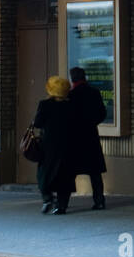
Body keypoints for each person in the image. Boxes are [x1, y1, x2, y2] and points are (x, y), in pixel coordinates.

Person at [33, 76, 75, 214]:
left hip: (48, 145)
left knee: (43, 173)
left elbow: (37, 123)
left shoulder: (45, 104)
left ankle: (47, 198)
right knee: (65, 175)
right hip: (68, 144)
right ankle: (61, 205)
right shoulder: (71, 105)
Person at [67, 66, 108, 210]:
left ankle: (63, 202)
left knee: (70, 170)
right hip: (90, 135)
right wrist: (92, 122)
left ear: (72, 78)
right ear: (84, 77)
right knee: (95, 171)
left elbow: (67, 116)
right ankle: (99, 200)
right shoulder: (94, 92)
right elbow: (102, 113)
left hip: (74, 137)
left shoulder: (70, 95)